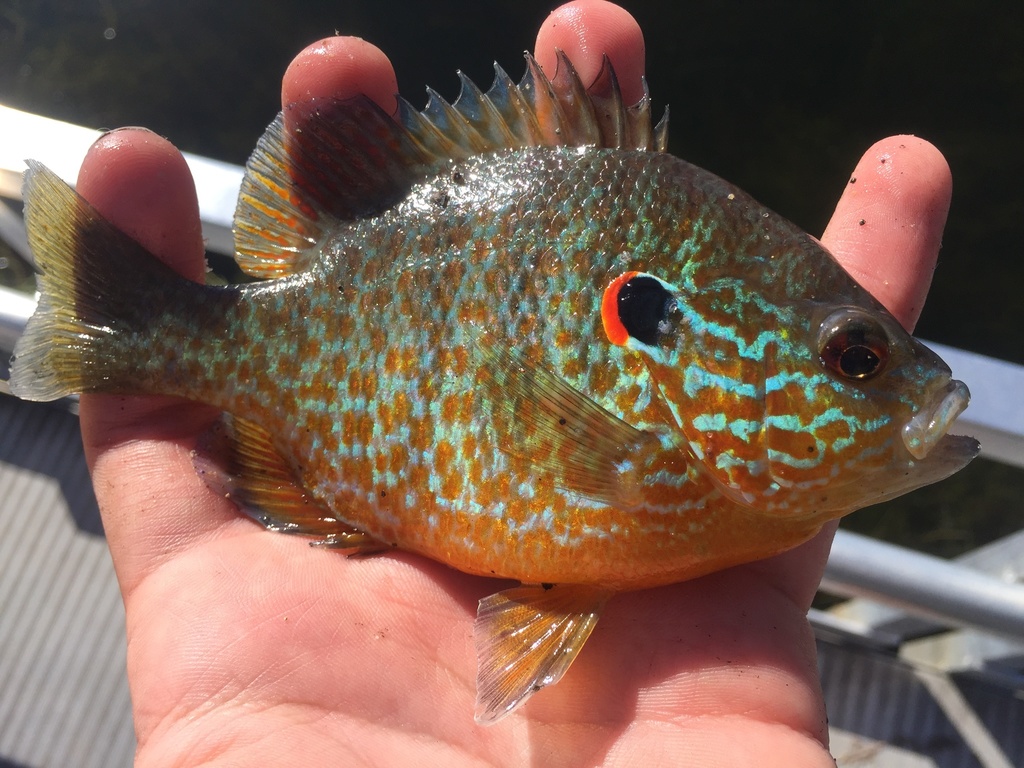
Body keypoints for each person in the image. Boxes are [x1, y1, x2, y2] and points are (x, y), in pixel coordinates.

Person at [75, 1, 952, 765]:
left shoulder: (722, 496)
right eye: (855, 361)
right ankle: (114, 331)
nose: (894, 391)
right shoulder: (679, 481)